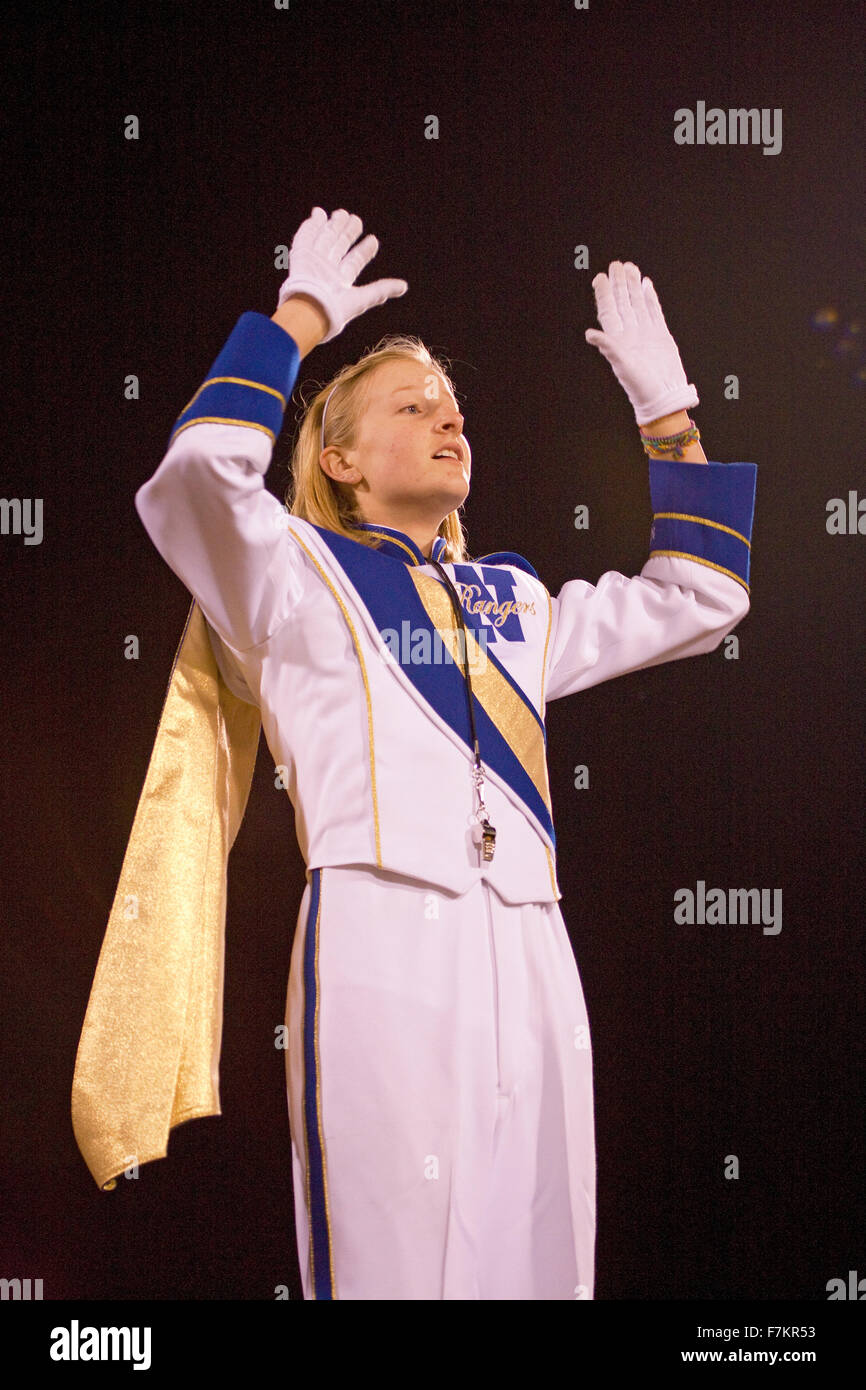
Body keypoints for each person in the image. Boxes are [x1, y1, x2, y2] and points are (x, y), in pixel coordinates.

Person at [74, 207, 757, 1300]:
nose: (450, 421)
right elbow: (199, 476)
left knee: (544, 1260)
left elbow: (702, 596)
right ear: (338, 458)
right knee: (397, 1264)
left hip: (532, 940)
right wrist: (294, 320)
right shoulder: (288, 575)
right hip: (381, 932)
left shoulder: (514, 599)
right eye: (412, 405)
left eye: (455, 408)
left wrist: (666, 414)